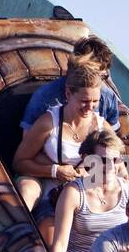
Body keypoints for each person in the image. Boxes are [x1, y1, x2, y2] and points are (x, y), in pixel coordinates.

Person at [12, 62, 108, 216]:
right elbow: (19, 163)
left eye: (95, 101)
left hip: (80, 193)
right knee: (27, 192)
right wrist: (55, 171)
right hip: (46, 185)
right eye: (84, 101)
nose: (90, 107)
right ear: (69, 94)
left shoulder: (102, 127)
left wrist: (92, 174)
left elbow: (118, 166)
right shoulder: (48, 123)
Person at [49, 128, 129, 252]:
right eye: (102, 160)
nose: (110, 166)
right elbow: (60, 245)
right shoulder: (73, 192)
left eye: (115, 160)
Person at [19, 35, 121, 132]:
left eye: (103, 77)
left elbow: (112, 141)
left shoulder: (108, 97)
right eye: (92, 75)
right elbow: (28, 143)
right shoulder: (44, 97)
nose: (98, 82)